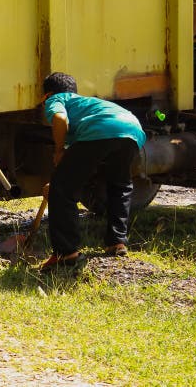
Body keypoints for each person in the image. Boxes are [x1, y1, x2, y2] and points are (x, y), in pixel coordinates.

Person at [39, 72, 147, 272]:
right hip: (132, 130)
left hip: (101, 130)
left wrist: (59, 149)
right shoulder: (86, 102)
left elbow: (60, 118)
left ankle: (66, 253)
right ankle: (117, 242)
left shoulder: (56, 99)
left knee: (62, 190)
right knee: (120, 184)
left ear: (48, 94)